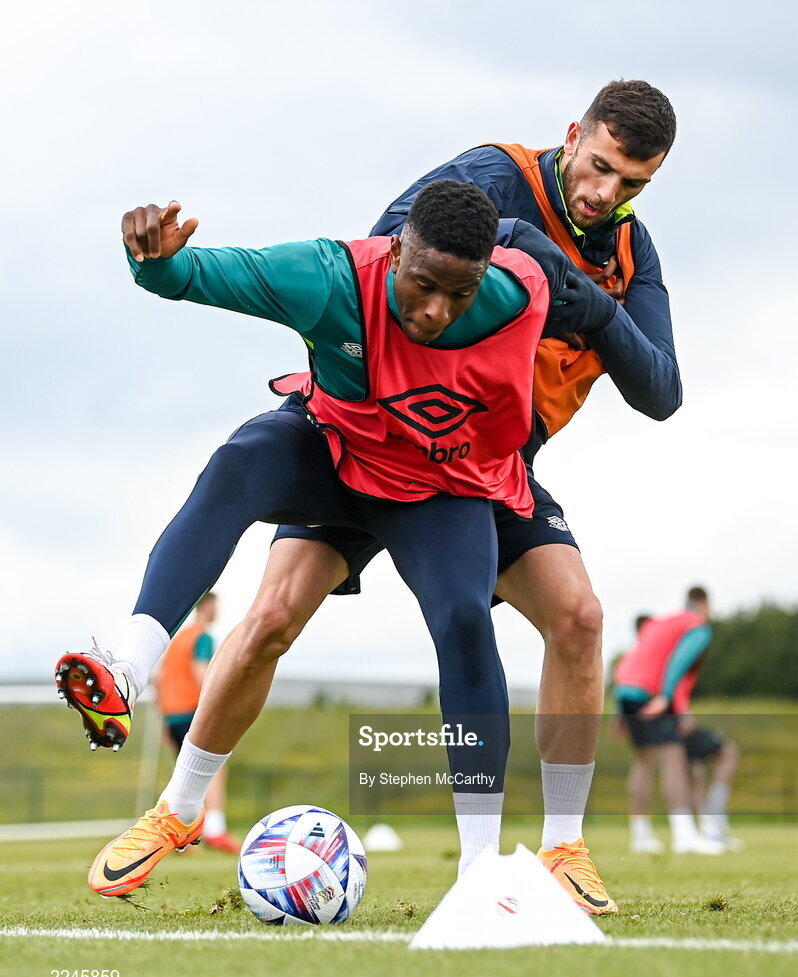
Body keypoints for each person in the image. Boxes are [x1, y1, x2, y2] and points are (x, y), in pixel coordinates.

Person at [61, 79, 680, 911]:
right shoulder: (490, 182)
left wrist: (595, 309)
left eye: (633, 183)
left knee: (574, 617)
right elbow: (386, 254)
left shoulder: (622, 259)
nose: (607, 193)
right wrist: (532, 247)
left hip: (474, 462)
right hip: (357, 424)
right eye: (600, 166)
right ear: (574, 135)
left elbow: (663, 389)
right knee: (270, 616)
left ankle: (550, 849)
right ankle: (172, 800)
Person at [614, 587, 725, 854]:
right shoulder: (698, 626)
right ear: (704, 604)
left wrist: (620, 711)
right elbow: (679, 662)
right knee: (674, 756)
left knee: (644, 762)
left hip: (625, 691)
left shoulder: (660, 622)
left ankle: (641, 837)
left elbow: (631, 661)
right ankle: (684, 836)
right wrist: (666, 696)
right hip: (651, 694)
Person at [155, 592, 238, 853]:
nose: (218, 610)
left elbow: (160, 679)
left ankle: (179, 835)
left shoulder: (179, 639)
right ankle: (215, 831)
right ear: (206, 605)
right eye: (215, 605)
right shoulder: (203, 637)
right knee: (213, 768)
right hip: (194, 712)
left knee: (184, 775)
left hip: (172, 715)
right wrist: (221, 705)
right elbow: (201, 672)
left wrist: (163, 720)